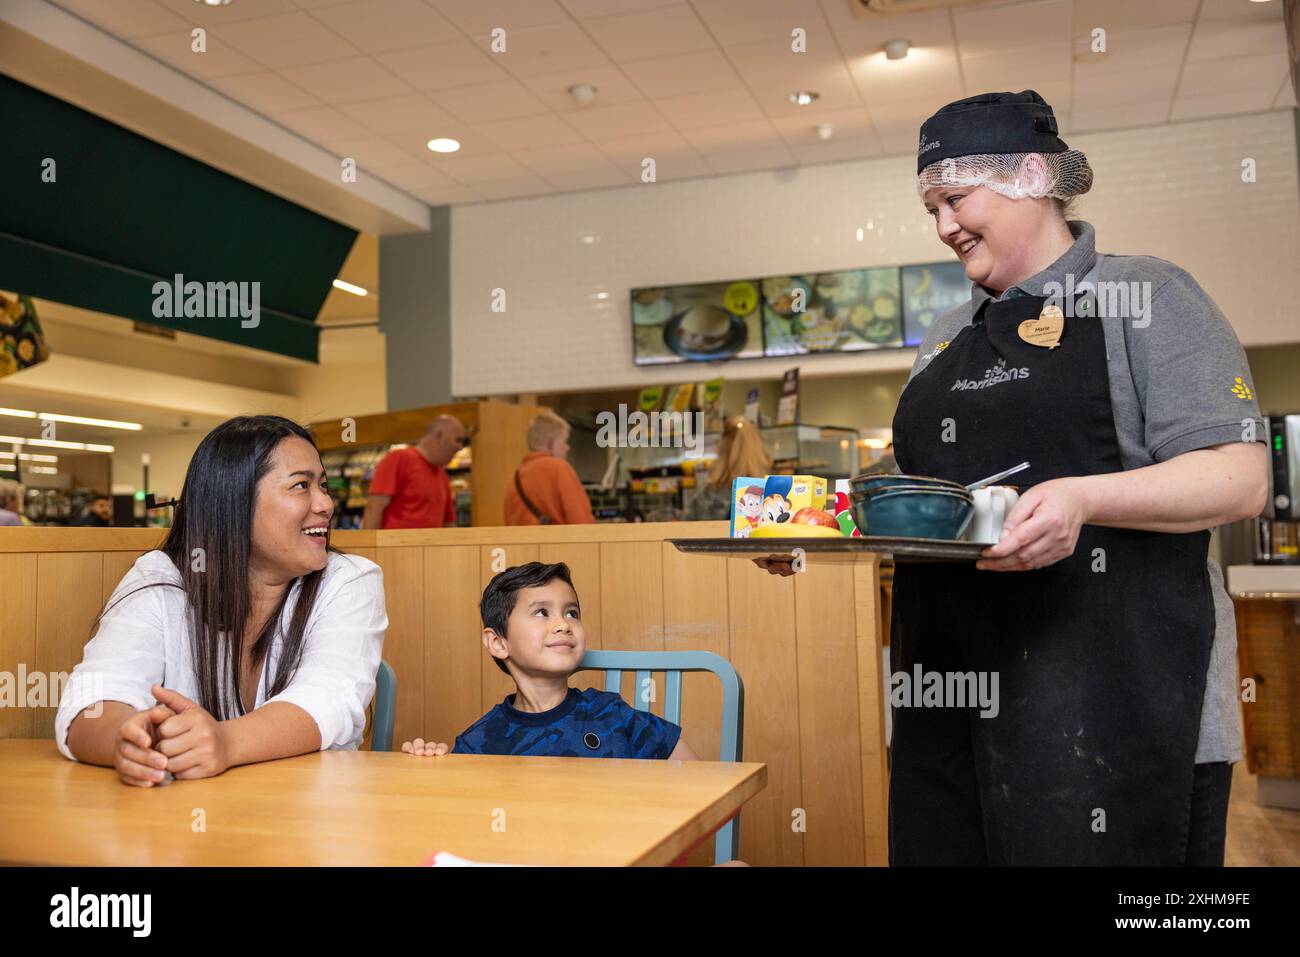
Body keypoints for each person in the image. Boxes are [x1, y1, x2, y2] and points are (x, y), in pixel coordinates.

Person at [764, 90, 1268, 867]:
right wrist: (820, 527)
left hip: (1123, 705)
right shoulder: (943, 340)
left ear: (1033, 175)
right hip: (952, 709)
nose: (943, 227)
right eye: (931, 206)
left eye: (956, 199)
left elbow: (1239, 477)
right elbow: (922, 498)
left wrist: (1081, 496)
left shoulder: (1150, 298)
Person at [56, 415, 388, 785]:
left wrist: (224, 743)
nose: (325, 503)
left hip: (309, 818)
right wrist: (126, 739)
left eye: (323, 485)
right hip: (183, 824)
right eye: (301, 486)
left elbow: (330, 700)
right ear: (234, 501)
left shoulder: (349, 580)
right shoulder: (161, 578)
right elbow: (92, 700)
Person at [400, 561, 694, 759]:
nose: (563, 624)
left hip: (622, 850)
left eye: (572, 613)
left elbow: (696, 777)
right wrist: (427, 768)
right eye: (542, 612)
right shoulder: (479, 743)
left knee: (736, 859)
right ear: (498, 643)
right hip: (524, 854)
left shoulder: (611, 714)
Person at [363, 414, 466, 529]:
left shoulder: (442, 476)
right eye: (458, 440)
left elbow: (448, 524)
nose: (460, 447)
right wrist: (369, 546)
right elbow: (374, 508)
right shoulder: (399, 459)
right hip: (395, 546)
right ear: (439, 435)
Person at [503, 412, 595, 526]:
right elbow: (581, 521)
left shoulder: (515, 478)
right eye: (565, 441)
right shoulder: (559, 469)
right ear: (551, 444)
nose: (568, 447)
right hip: (556, 543)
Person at [685, 415, 773, 521]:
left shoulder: (706, 495)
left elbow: (686, 528)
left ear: (722, 448)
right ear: (759, 448)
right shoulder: (773, 494)